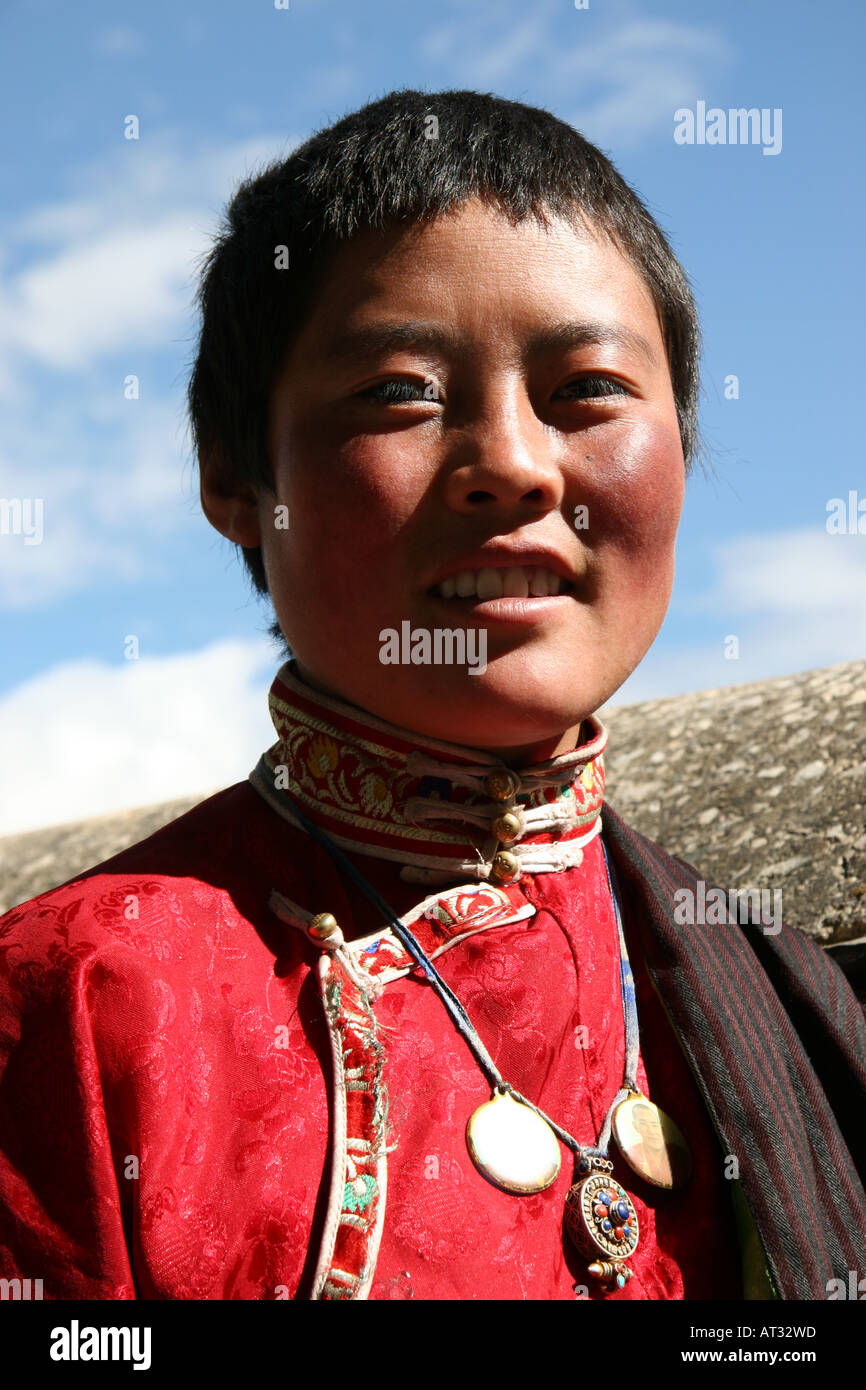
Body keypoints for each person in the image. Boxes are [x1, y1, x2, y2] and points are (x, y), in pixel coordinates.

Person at [1, 88, 864, 1303]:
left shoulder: (771, 986)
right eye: (402, 393)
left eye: (588, 390)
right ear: (236, 480)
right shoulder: (80, 999)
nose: (513, 462)